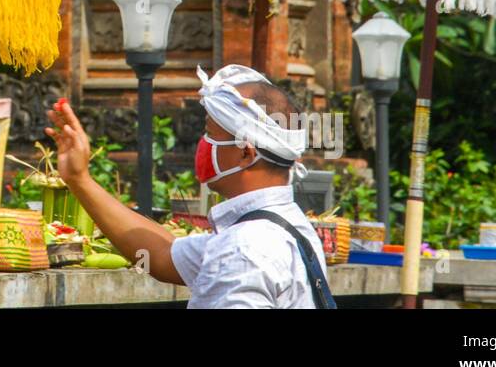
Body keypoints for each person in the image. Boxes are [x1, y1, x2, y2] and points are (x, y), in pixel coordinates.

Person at [47, 63, 335, 309]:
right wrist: (79, 179)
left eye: (210, 133)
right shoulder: (287, 225)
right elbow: (161, 256)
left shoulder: (244, 249)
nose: (203, 143)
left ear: (246, 153)